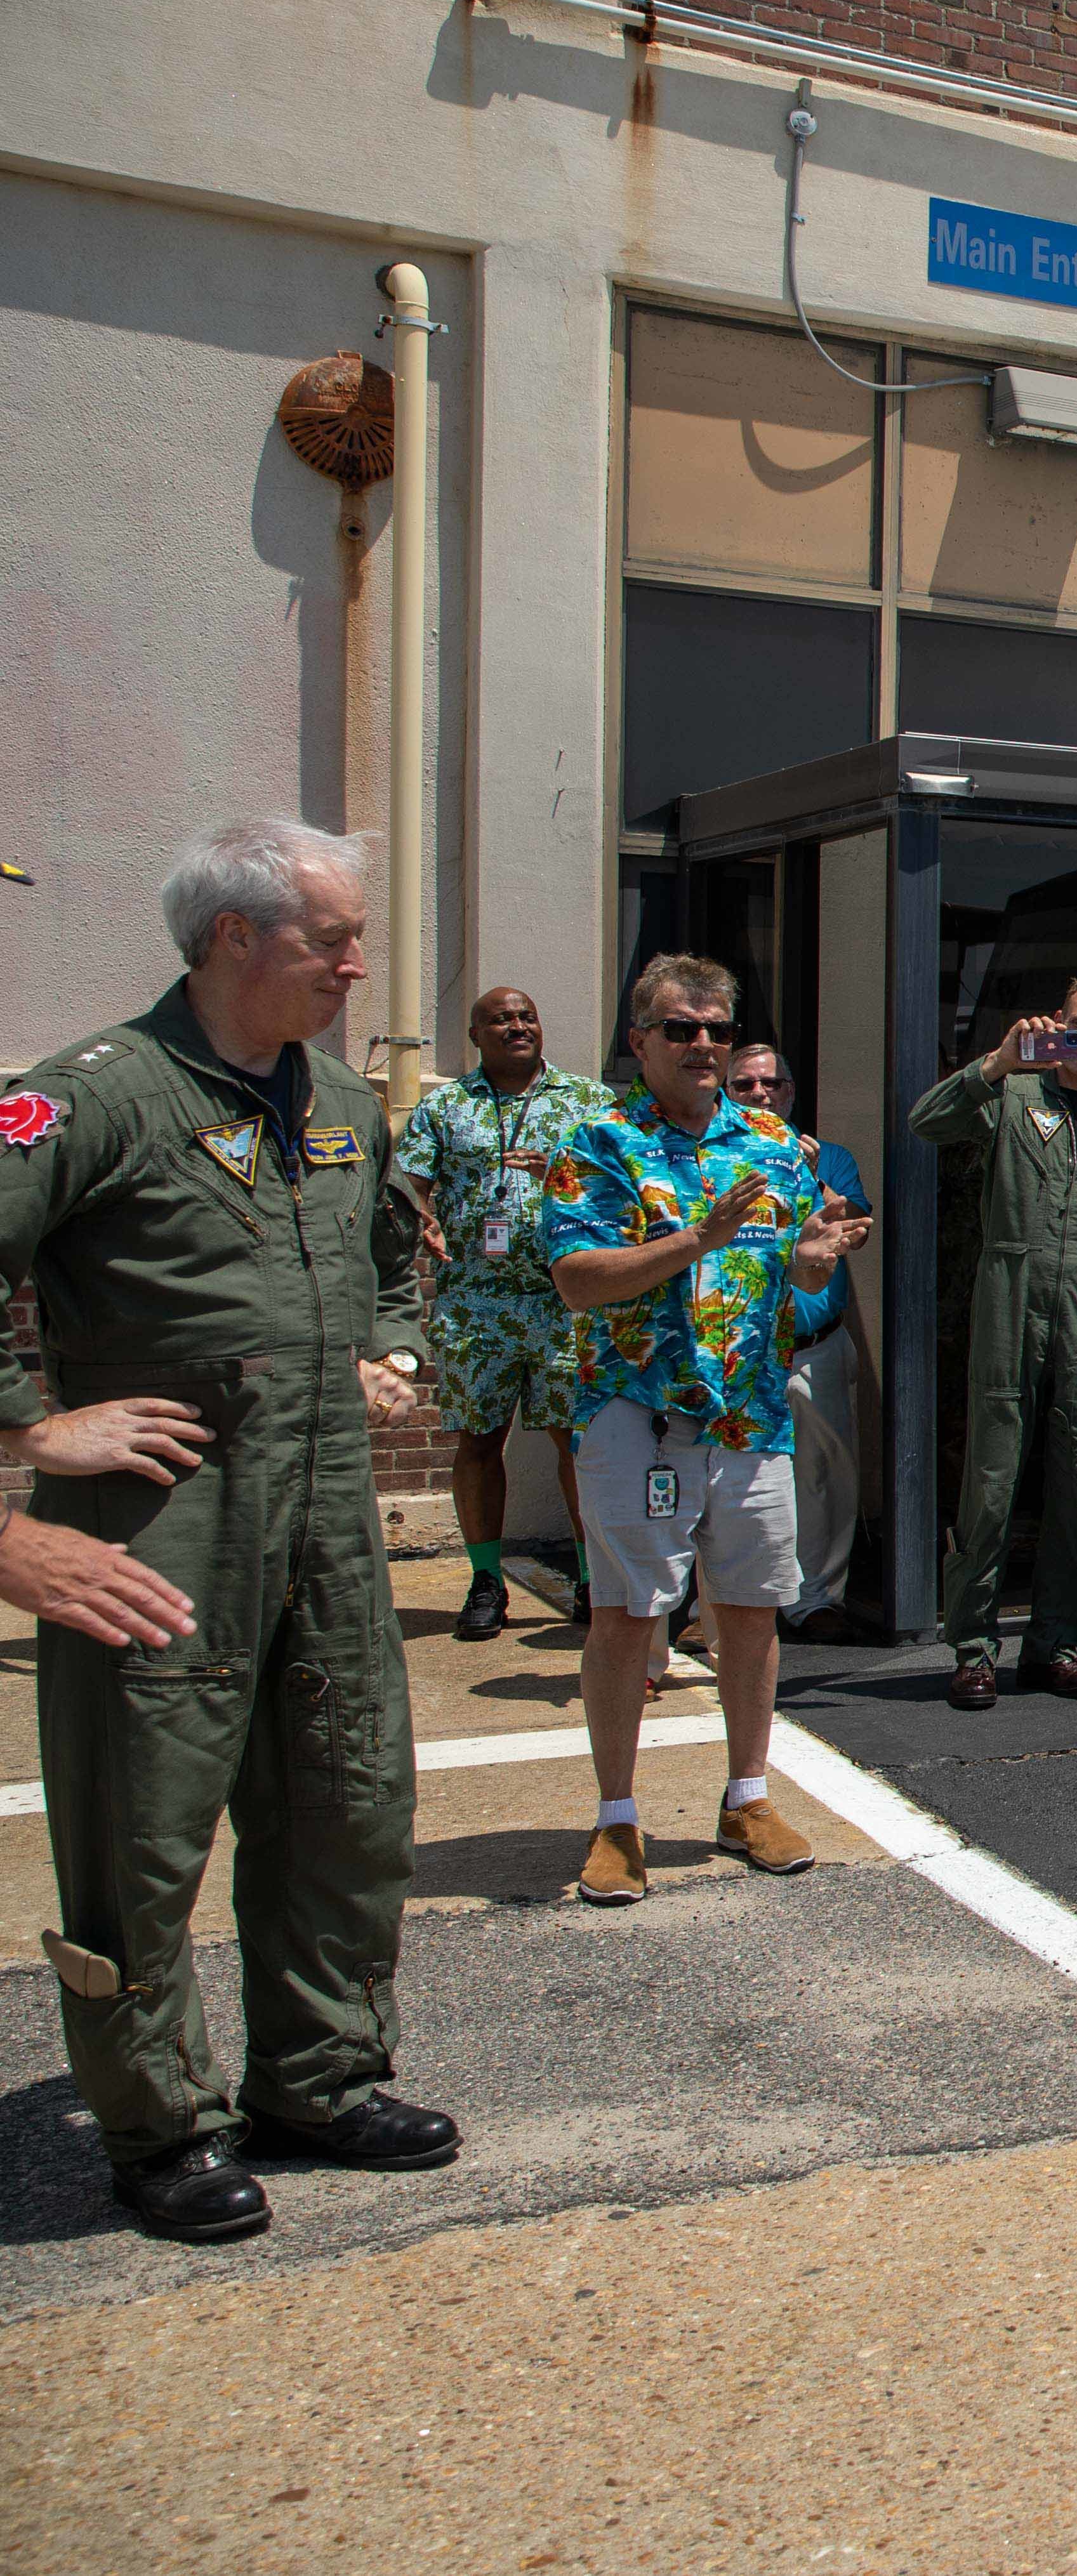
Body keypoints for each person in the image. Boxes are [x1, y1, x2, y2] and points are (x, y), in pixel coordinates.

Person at [0, 815, 453, 2240]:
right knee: (142, 1831)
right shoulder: (98, 1095)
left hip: (323, 1511)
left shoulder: (331, 1101)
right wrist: (22, 1431)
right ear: (233, 938)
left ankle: (315, 2077)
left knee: (348, 1797)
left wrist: (385, 1339)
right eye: (334, 939)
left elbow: (391, 1240)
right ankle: (157, 2125)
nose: (358, 965)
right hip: (168, 1523)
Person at [546, 956, 866, 1906]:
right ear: (639, 1038)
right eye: (681, 1028)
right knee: (626, 1615)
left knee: (753, 1608)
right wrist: (696, 1238)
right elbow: (577, 1276)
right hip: (636, 1419)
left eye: (718, 1029)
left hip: (752, 1416)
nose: (703, 1045)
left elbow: (799, 1276)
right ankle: (616, 1817)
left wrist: (815, 1254)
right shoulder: (598, 1141)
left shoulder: (771, 1142)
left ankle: (748, 1797)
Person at [909, 975, 1077, 1712]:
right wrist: (996, 1061)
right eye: (1074, 1023)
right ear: (1056, 1024)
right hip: (1011, 1294)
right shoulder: (1014, 1096)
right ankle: (972, 1649)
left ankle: (1056, 1643)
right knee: (990, 1481)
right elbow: (926, 1121)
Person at [393, 985, 607, 1640]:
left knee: (581, 1444)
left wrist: (565, 1174)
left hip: (564, 1303)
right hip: (476, 1307)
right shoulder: (445, 1107)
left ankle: (593, 1578)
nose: (518, 1026)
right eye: (501, 1020)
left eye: (527, 1017)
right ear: (476, 1036)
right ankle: (486, 1581)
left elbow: (627, 1185)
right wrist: (420, 1217)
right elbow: (408, 1183)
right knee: (478, 1442)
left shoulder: (591, 1102)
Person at [724, 1037, 875, 1640]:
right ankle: (728, 1604)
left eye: (773, 1084)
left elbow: (855, 1230)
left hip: (816, 1348)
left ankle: (816, 1600)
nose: (761, 1093)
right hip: (739, 1352)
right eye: (746, 1085)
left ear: (791, 1092)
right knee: (734, 1481)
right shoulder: (712, 1158)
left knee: (824, 1478)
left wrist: (809, 1176)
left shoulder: (828, 1158)